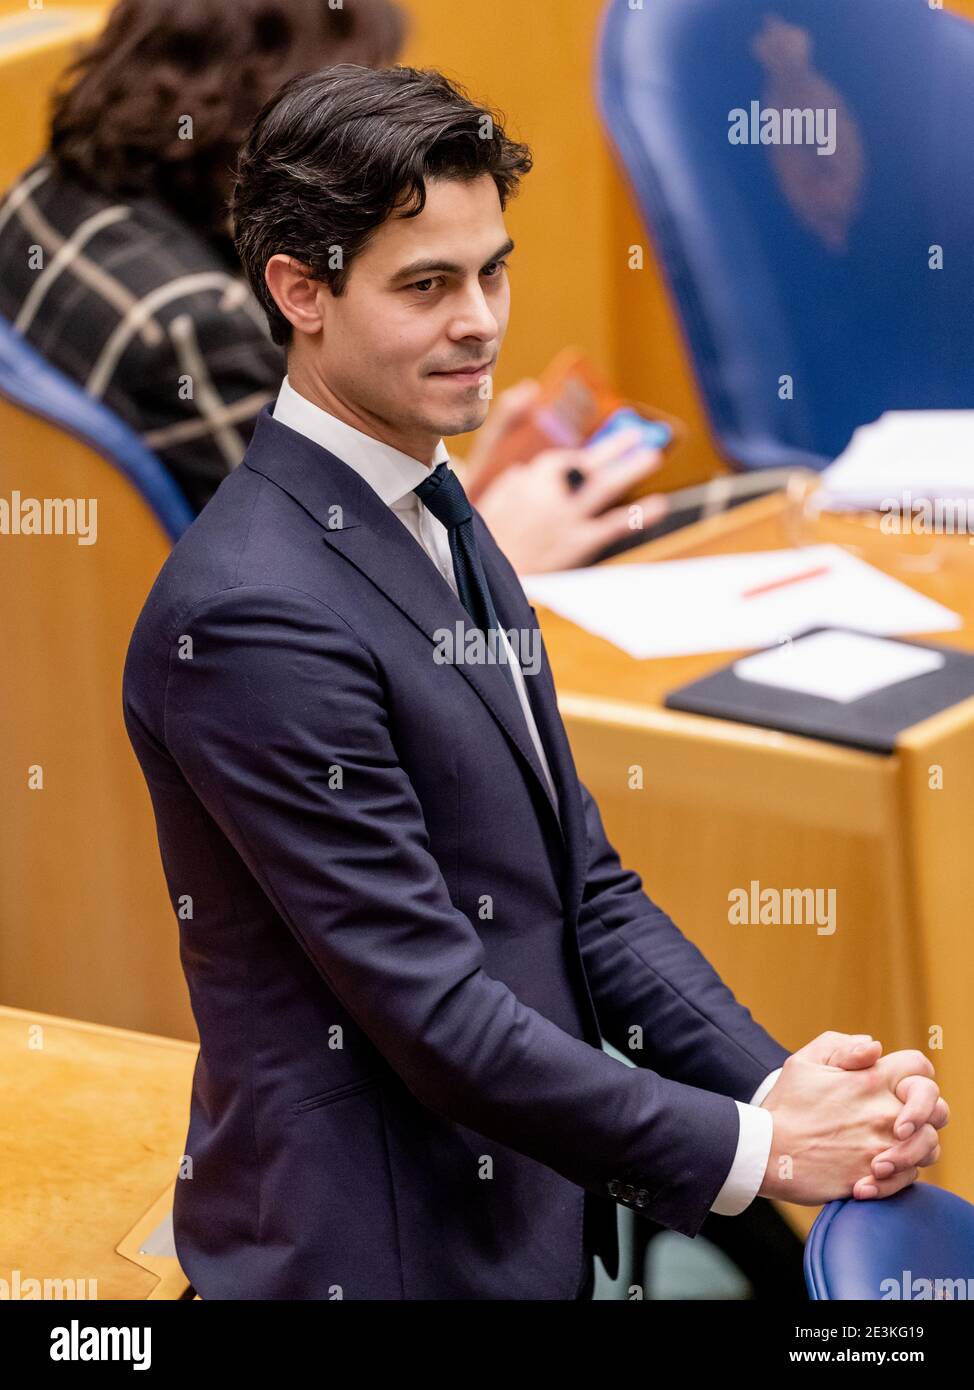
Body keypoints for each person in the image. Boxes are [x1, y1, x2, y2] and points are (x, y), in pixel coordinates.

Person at [121, 64, 946, 1301]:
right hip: (384, 1254)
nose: (482, 321)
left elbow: (584, 893)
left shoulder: (434, 501)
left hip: (531, 1205)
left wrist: (775, 1083)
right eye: (426, 285)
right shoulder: (251, 618)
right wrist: (766, 1150)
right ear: (300, 290)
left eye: (491, 269)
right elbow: (438, 1020)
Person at [0, 0, 663, 568]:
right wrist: (498, 558)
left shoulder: (45, 196)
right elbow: (327, 606)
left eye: (491, 271)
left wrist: (444, 482)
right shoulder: (199, 327)